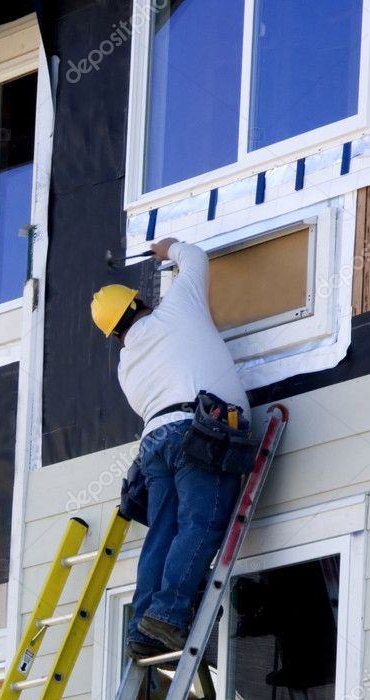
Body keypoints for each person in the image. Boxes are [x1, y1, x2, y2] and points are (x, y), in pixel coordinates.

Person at [91, 237, 250, 658]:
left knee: (163, 532)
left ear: (114, 332)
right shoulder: (176, 312)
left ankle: (144, 626)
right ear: (140, 301)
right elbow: (195, 257)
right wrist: (169, 249)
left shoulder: (126, 366)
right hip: (196, 432)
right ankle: (168, 614)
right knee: (201, 523)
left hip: (154, 446)